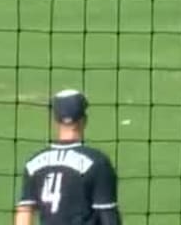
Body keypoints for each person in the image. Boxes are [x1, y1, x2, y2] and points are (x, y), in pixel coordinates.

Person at [14, 90, 122, 225]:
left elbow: (25, 211)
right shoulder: (98, 162)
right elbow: (108, 217)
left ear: (56, 121)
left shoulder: (33, 163)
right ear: (84, 120)